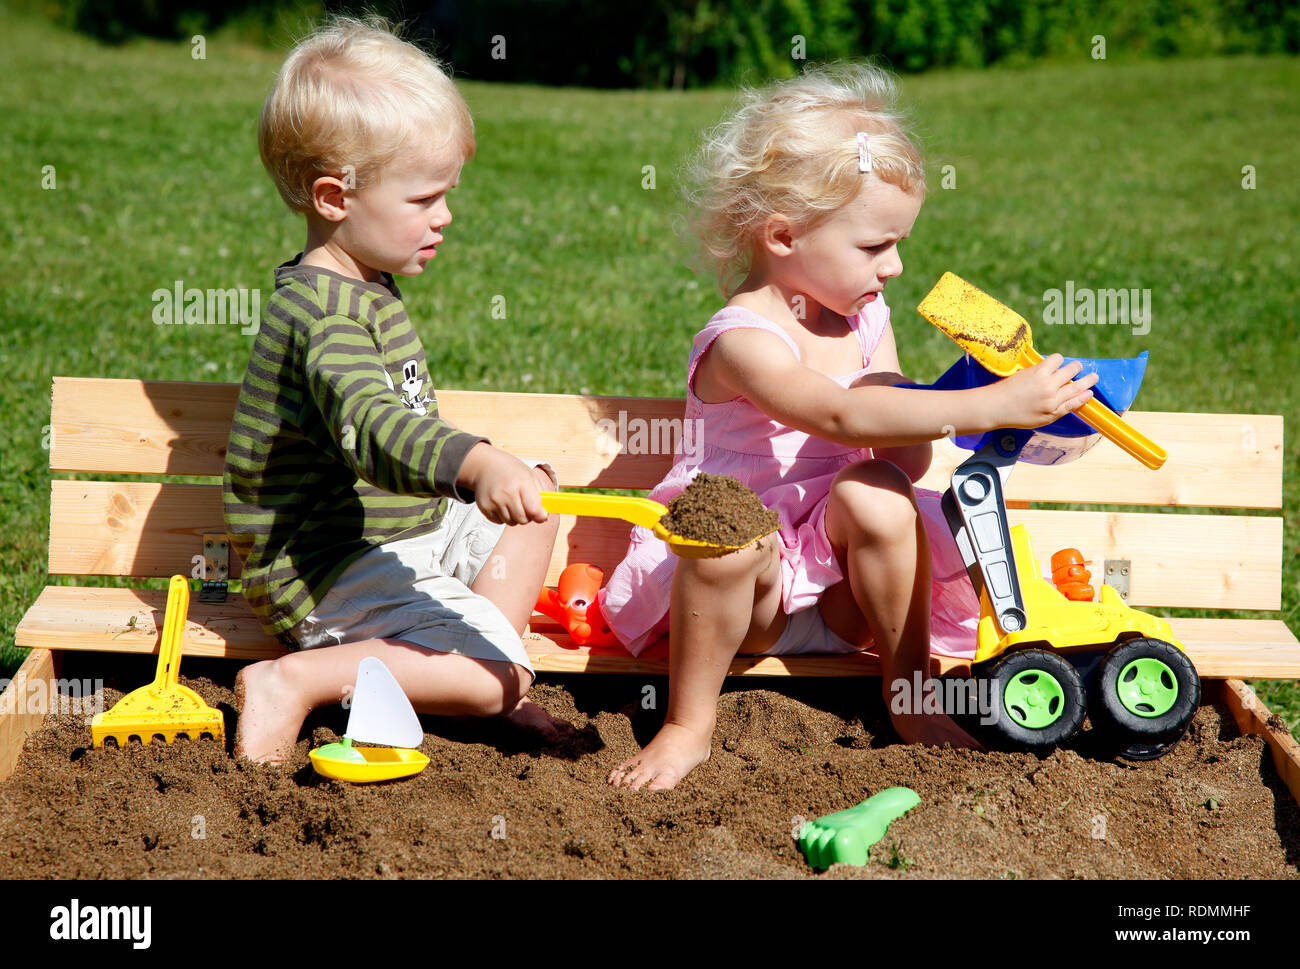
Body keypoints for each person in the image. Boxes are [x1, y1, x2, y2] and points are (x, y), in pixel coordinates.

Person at [602, 64, 1098, 790]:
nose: (895, 267)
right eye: (874, 247)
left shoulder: (868, 320)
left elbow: (902, 457)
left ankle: (911, 697)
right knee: (726, 527)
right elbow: (837, 412)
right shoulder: (742, 338)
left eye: (898, 243)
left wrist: (958, 390)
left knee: (874, 488)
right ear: (783, 234)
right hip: (751, 597)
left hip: (845, 590)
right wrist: (986, 408)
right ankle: (687, 725)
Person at [225, 18, 567, 763]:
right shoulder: (323, 315)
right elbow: (376, 430)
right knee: (494, 674)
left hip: (403, 532)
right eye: (424, 198)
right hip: (324, 567)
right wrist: (475, 463)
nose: (445, 216)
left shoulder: (364, 283)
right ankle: (298, 679)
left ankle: (483, 671)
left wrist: (496, 473)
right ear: (333, 197)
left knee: (539, 502)